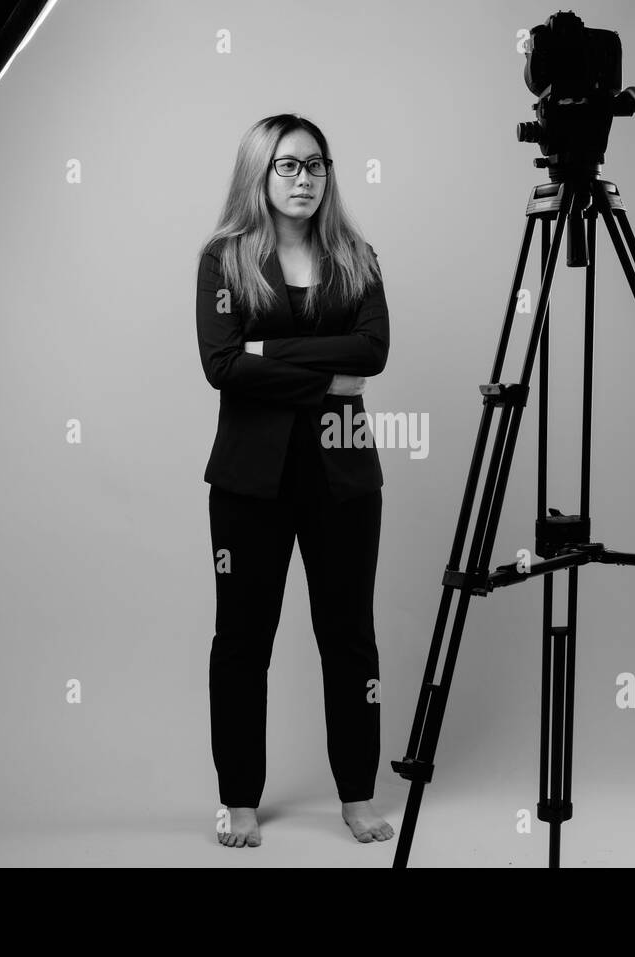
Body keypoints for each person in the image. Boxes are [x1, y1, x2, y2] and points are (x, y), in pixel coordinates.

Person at [195, 113, 395, 848]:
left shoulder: (355, 254)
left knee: (349, 638)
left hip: (344, 476)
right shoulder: (224, 260)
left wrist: (270, 348)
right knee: (242, 639)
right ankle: (239, 798)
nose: (305, 178)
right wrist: (325, 375)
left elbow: (372, 352)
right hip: (249, 480)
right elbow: (222, 365)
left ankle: (357, 795)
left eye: (315, 165)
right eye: (288, 166)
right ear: (260, 172)